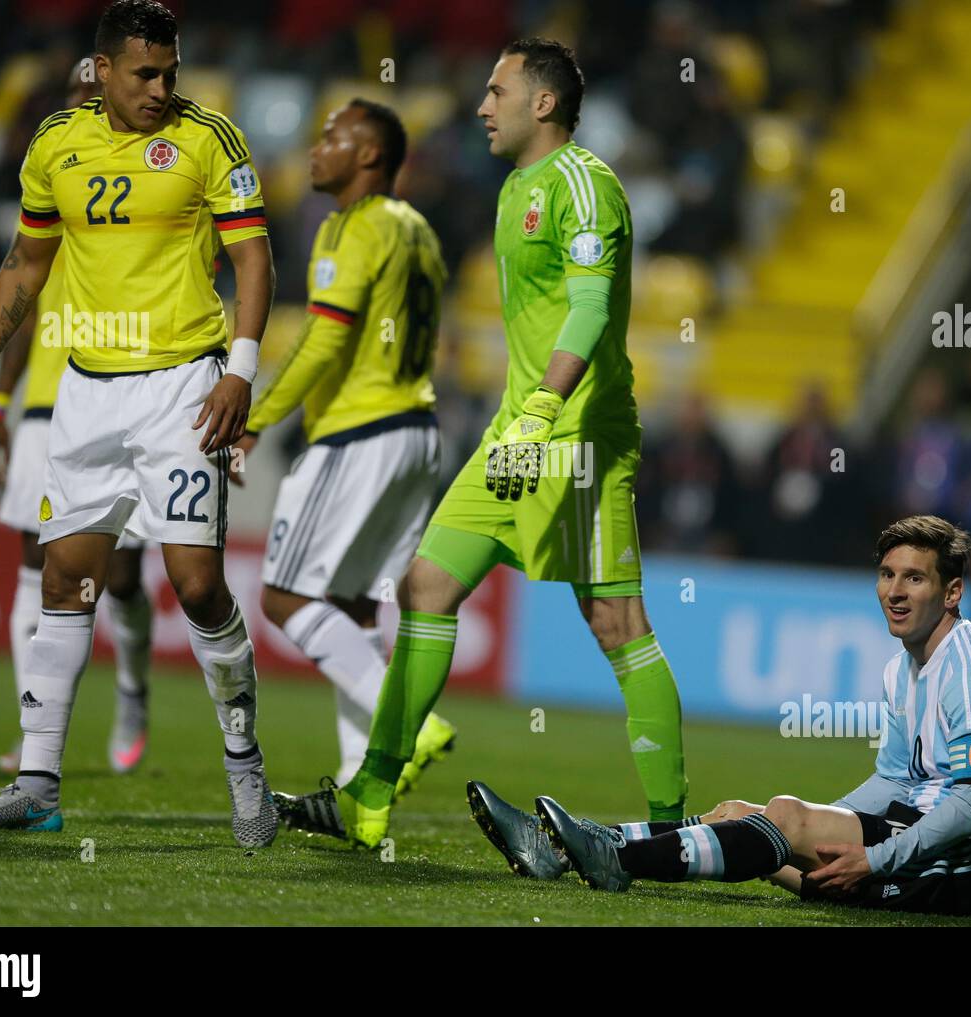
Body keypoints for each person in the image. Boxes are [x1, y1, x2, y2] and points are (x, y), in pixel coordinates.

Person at [296, 38, 690, 849]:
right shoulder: (517, 190)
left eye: (496, 90)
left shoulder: (588, 186)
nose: (481, 106)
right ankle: (368, 793)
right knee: (428, 585)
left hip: (577, 431)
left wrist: (548, 404)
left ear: (542, 103)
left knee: (616, 621)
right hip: (517, 432)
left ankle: (669, 832)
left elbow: (589, 307)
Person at [0, 0, 279, 847]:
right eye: (145, 74)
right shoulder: (56, 143)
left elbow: (253, 259)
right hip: (88, 394)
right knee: (65, 583)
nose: (162, 89)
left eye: (171, 72)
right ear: (101, 70)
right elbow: (25, 262)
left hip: (183, 388)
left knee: (197, 585)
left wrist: (239, 372)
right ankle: (37, 784)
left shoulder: (211, 138)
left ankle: (246, 770)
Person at [469, 516, 971, 918]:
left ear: (952, 593)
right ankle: (565, 848)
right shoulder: (903, 668)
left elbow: (970, 806)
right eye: (887, 574)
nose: (894, 591)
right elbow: (894, 778)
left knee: (784, 819)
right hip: (919, 845)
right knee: (742, 816)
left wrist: (869, 856)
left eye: (914, 578)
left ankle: (613, 858)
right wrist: (823, 825)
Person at [230, 99, 455, 826]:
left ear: (368, 157)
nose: (315, 146)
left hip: (361, 432)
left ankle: (407, 728)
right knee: (355, 606)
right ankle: (365, 797)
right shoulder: (419, 230)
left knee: (286, 599)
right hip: (419, 432)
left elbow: (327, 341)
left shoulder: (353, 226)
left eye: (332, 137)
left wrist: (254, 415)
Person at [0, 60, 153, 777]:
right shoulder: (54, 177)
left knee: (120, 575)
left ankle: (133, 686)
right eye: (78, 94)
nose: (88, 103)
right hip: (49, 401)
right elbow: (22, 299)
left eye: (97, 91)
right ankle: (36, 736)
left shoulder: (159, 182)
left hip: (131, 396)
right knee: (37, 562)